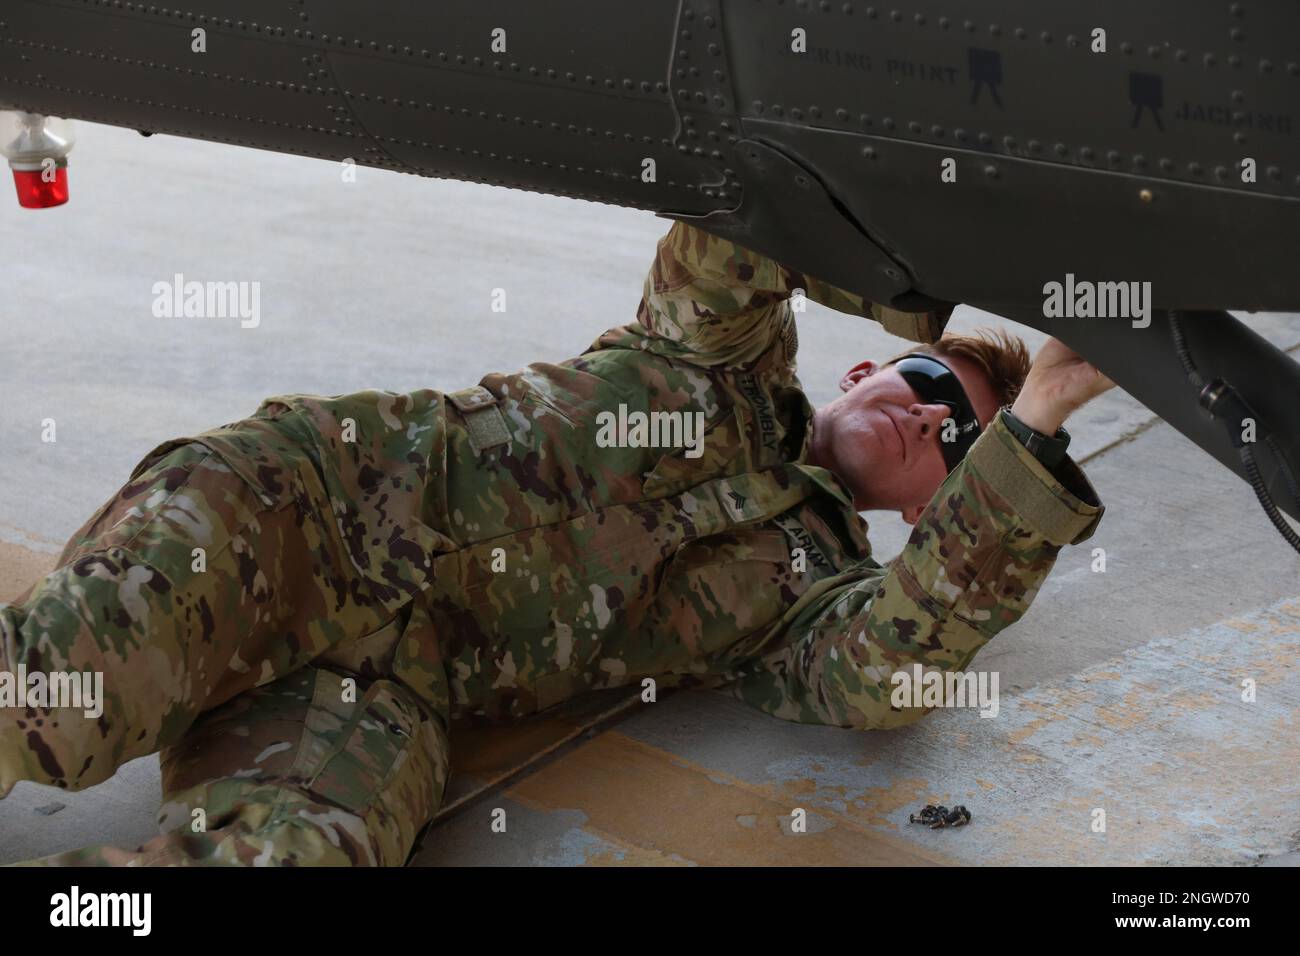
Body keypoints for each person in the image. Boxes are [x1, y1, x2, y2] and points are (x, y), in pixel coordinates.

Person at [0, 218, 1109, 865]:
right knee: (54, 706)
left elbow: (882, 674)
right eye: (927, 385)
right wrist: (943, 267)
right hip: (292, 524)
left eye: (958, 438)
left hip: (385, 691)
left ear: (934, 507)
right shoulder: (720, 355)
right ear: (870, 367)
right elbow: (739, 228)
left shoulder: (807, 599)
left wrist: (1036, 422)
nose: (927, 417)